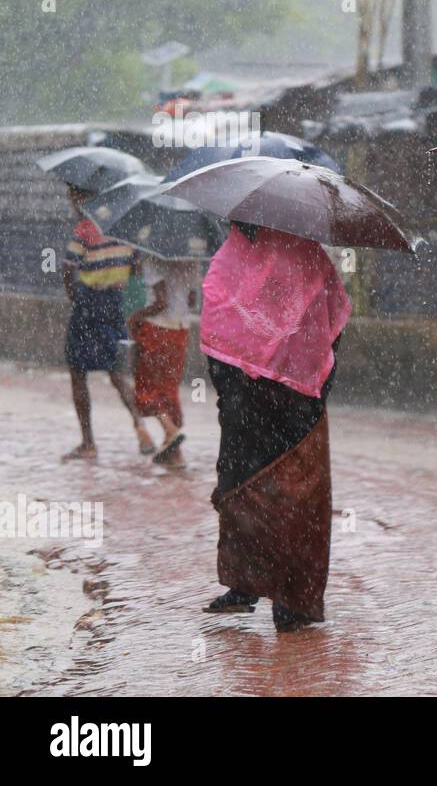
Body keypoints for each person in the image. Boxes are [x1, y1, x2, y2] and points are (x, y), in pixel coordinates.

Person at [198, 222, 351, 633]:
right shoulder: (296, 256)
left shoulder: (280, 255)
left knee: (264, 491)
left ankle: (277, 594)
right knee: (256, 491)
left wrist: (245, 383)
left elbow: (218, 331)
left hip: (275, 402)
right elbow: (331, 326)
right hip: (272, 402)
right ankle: (262, 590)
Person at [60, 184, 152, 460]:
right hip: (114, 304)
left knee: (77, 372)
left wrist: (77, 297)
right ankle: (140, 426)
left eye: (74, 199)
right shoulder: (121, 229)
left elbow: (67, 267)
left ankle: (88, 442)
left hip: (88, 304)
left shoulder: (84, 229)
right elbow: (136, 266)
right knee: (116, 373)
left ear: (84, 199)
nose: (72, 204)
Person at [128, 256, 202, 468]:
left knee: (146, 387)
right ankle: (175, 454)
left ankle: (170, 430)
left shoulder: (154, 259)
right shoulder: (192, 260)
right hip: (181, 330)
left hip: (157, 330)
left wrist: (136, 316)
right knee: (169, 390)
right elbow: (191, 301)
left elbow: (160, 303)